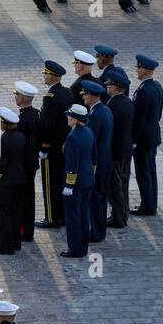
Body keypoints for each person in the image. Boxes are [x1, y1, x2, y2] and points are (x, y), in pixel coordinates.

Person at [36, 62, 72, 230]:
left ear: (51, 76)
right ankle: (63, 216)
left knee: (50, 184)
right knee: (61, 182)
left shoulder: (50, 97)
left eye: (46, 74)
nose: (44, 76)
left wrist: (44, 147)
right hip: (64, 145)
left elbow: (47, 125)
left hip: (52, 148)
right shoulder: (67, 93)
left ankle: (51, 218)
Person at [129, 55, 163, 217]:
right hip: (153, 135)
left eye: (138, 68)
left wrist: (134, 140)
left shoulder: (142, 91)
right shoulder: (157, 86)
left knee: (143, 173)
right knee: (151, 171)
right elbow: (159, 114)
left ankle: (147, 206)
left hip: (142, 139)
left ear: (145, 69)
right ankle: (151, 202)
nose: (137, 70)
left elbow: (138, 119)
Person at [59, 104, 93, 259]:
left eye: (69, 116)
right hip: (87, 179)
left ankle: (75, 249)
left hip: (76, 182)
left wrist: (69, 185)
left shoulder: (73, 137)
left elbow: (72, 164)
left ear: (74, 119)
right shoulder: (88, 131)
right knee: (84, 214)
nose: (67, 118)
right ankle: (83, 246)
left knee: (73, 216)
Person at [0, 108, 25, 256]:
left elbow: (1, 163)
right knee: (16, 213)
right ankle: (16, 243)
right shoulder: (20, 136)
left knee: (3, 215)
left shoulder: (3, 139)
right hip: (19, 179)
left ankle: (5, 247)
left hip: (5, 183)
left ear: (5, 123)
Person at [81, 81, 111, 245]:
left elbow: (90, 141)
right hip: (106, 161)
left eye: (85, 94)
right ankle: (100, 230)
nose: (83, 97)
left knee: (95, 199)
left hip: (97, 164)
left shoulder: (93, 116)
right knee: (101, 198)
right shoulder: (106, 110)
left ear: (92, 96)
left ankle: (97, 233)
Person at [12, 81, 40, 244]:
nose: (15, 97)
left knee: (22, 199)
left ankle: (24, 231)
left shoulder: (22, 120)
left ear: (22, 98)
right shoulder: (35, 114)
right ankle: (28, 230)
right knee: (29, 196)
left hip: (23, 165)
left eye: (17, 95)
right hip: (31, 163)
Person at [104, 68, 133, 230]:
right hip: (126, 150)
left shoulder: (113, 105)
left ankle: (119, 217)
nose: (107, 87)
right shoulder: (127, 101)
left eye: (109, 85)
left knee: (115, 187)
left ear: (115, 87)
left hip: (115, 152)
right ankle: (122, 213)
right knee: (123, 184)